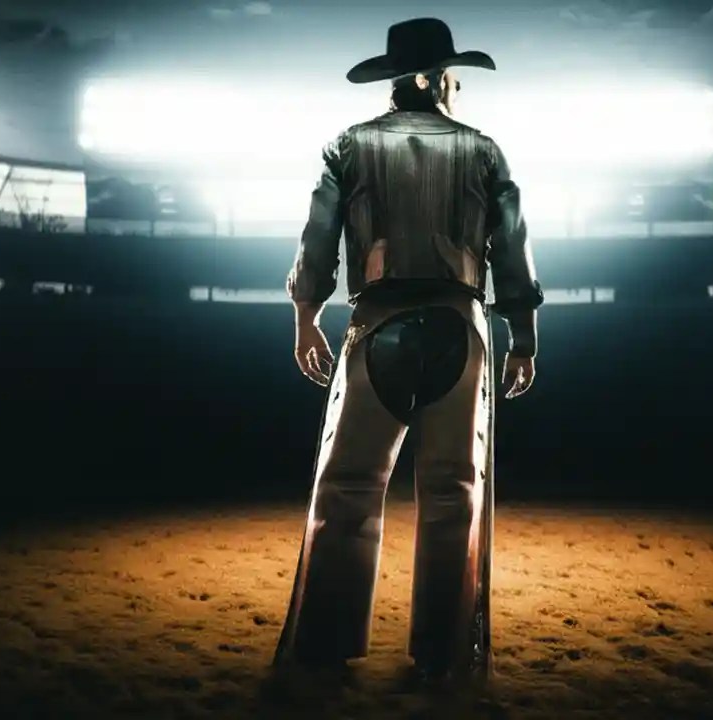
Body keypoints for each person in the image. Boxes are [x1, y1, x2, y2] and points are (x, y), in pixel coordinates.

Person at [273, 17, 544, 688]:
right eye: (452, 75)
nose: (455, 86)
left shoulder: (348, 146)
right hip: (460, 320)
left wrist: (306, 318)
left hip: (374, 324)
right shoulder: (484, 151)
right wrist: (525, 339)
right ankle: (443, 653)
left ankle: (326, 644)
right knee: (454, 491)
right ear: (432, 78)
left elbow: (316, 242)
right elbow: (511, 251)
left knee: (347, 487)